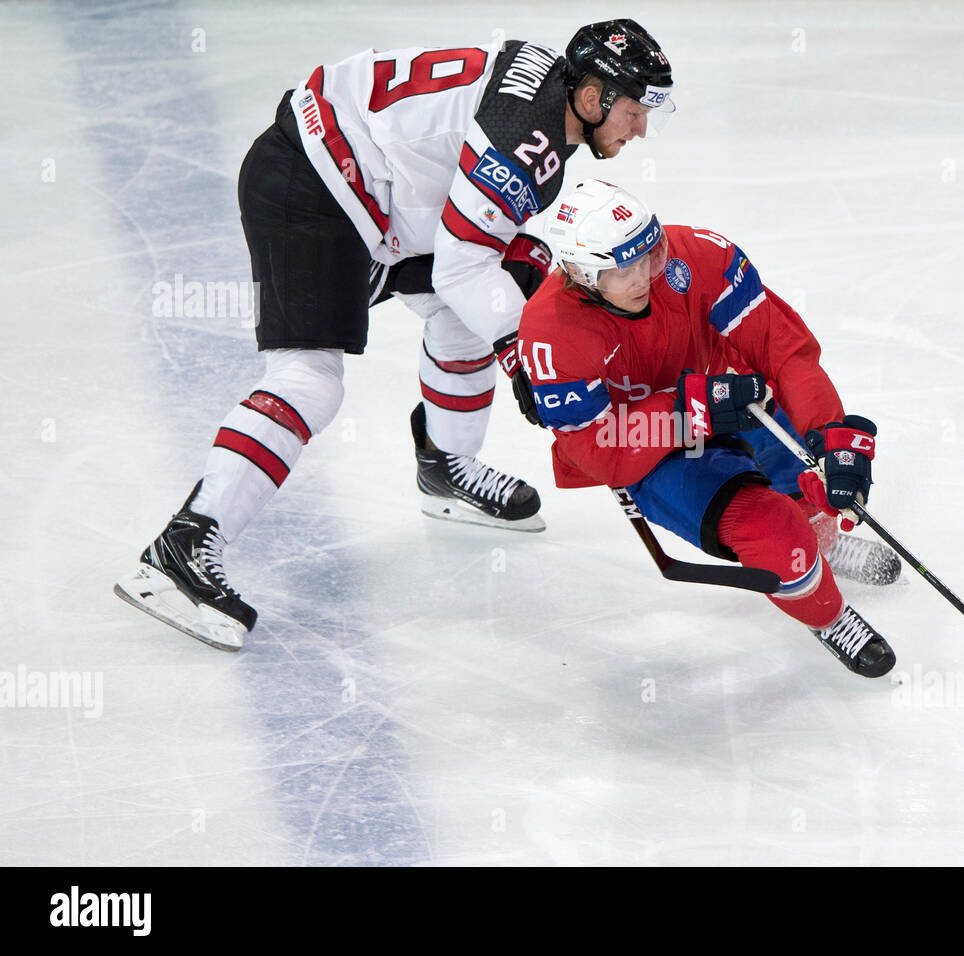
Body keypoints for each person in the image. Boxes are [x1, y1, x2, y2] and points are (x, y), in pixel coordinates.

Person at [115, 22, 674, 651]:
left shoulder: (545, 98)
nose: (641, 128)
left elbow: (464, 243)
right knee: (310, 379)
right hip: (314, 188)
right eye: (635, 108)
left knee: (510, 275)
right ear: (594, 97)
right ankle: (182, 549)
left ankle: (445, 463)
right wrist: (528, 358)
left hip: (361, 188)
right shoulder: (530, 135)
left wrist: (518, 335)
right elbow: (463, 262)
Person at [513, 181, 903, 678]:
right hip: (651, 450)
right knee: (773, 533)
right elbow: (594, 447)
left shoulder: (699, 257)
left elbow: (783, 349)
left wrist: (832, 437)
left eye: (651, 257)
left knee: (808, 477)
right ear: (581, 274)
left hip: (732, 397)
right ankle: (828, 613)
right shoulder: (551, 332)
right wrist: (687, 410)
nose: (644, 278)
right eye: (624, 270)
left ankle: (820, 542)